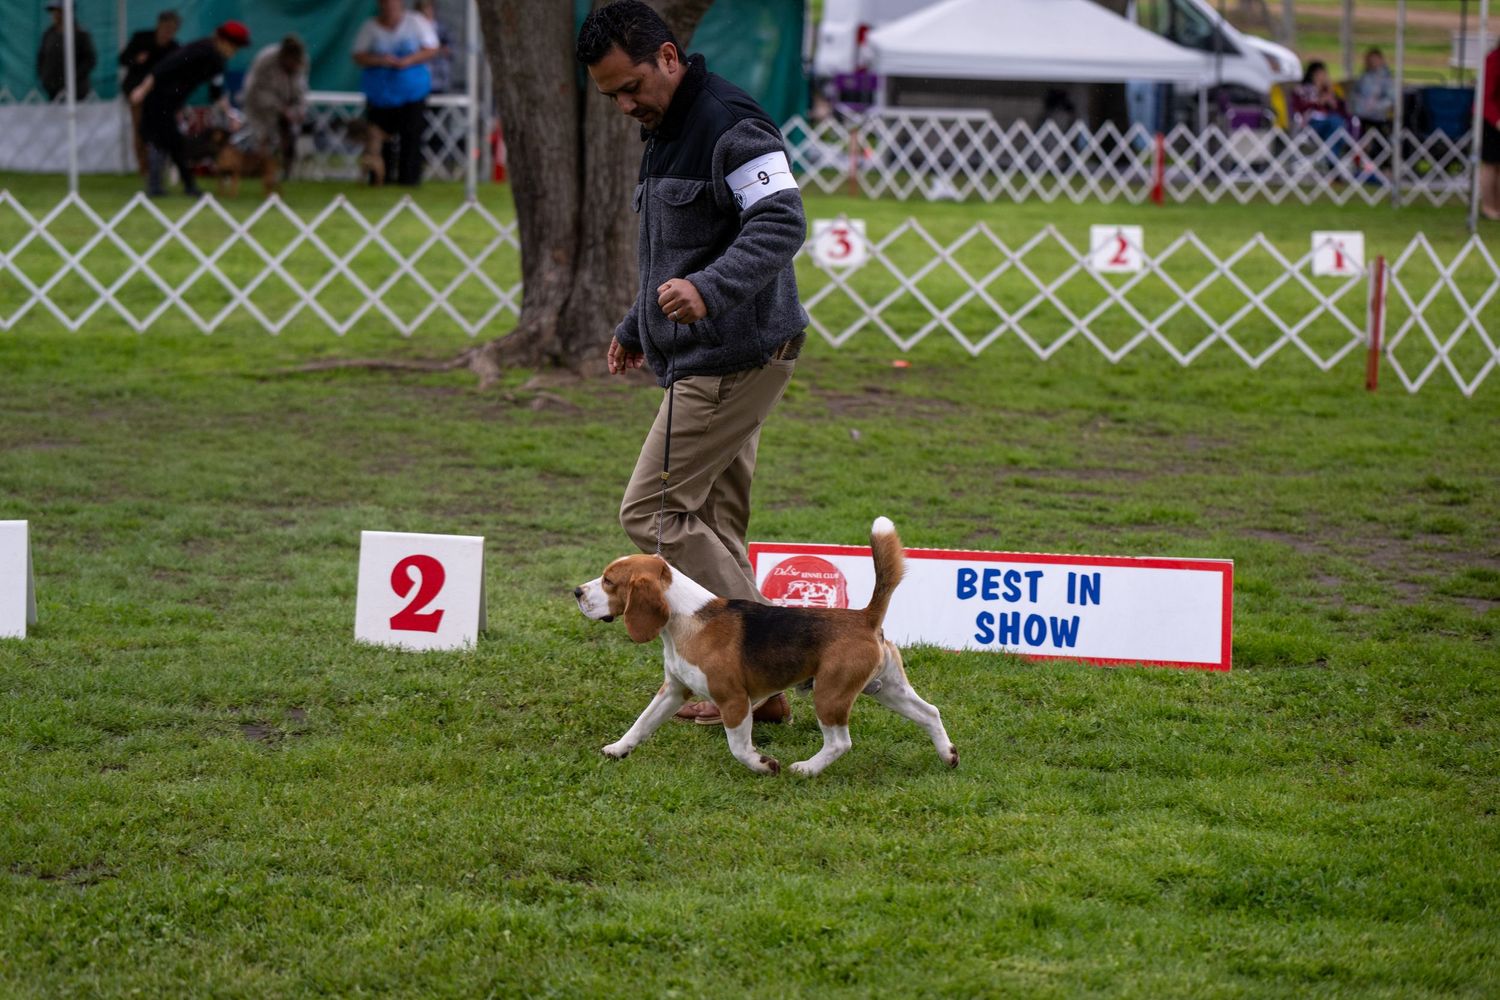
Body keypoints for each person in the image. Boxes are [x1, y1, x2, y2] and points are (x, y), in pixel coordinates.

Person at [577, 0, 809, 727]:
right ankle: (755, 684)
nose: (622, 105)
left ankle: (765, 668)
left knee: (653, 511)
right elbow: (676, 253)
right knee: (712, 518)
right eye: (610, 93)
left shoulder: (730, 125)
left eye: (630, 86)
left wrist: (707, 292)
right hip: (712, 350)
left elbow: (782, 221)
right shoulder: (665, 126)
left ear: (670, 58)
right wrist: (638, 323)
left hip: (731, 356)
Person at [130, 21, 251, 197]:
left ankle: (173, 186)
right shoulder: (200, 49)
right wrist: (143, 89)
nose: (235, 51)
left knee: (173, 143)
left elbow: (216, 92)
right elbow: (166, 66)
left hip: (172, 102)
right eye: (235, 46)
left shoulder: (217, 61)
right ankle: (167, 186)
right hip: (158, 97)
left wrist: (230, 114)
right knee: (162, 141)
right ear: (225, 41)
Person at [353, 0, 439, 187]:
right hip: (380, 93)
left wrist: (408, 60)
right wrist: (382, 60)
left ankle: (409, 180)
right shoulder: (370, 26)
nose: (389, 7)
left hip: (412, 91)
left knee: (412, 135)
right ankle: (379, 179)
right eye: (385, 4)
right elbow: (358, 55)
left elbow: (432, 48)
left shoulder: (415, 22)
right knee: (377, 139)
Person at [119, 11, 181, 176]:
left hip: (162, 97)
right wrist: (136, 59)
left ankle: (162, 167)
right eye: (165, 28)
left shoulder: (174, 48)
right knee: (140, 130)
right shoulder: (141, 39)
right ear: (158, 25)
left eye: (171, 29)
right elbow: (123, 59)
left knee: (161, 131)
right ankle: (144, 169)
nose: (167, 32)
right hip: (137, 93)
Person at [241, 34, 308, 176]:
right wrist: (280, 108)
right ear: (284, 56)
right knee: (262, 136)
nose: (295, 65)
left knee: (289, 136)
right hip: (259, 104)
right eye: (292, 61)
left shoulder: (303, 61)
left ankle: (286, 170)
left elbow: (301, 90)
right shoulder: (265, 59)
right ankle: (259, 170)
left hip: (286, 104)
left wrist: (300, 109)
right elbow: (253, 90)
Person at [36, 1, 97, 100]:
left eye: (59, 12)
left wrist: (71, 78)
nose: (55, 15)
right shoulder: (48, 33)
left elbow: (90, 60)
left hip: (76, 91)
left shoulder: (80, 34)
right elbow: (41, 57)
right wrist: (44, 77)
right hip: (53, 90)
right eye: (54, 12)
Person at [413, 0, 454, 95]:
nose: (426, 13)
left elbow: (450, 50)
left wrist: (431, 51)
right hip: (418, 79)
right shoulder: (412, 31)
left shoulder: (442, 30)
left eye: (428, 9)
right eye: (422, 10)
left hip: (438, 79)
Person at [1351, 47, 1395, 130]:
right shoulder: (1363, 77)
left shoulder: (1387, 79)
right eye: (1370, 60)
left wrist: (1376, 106)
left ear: (1381, 60)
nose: (1372, 63)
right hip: (1361, 113)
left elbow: (1391, 99)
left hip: (1380, 115)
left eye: (1375, 60)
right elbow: (1355, 93)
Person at [1483, 40, 1500, 221]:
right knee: (1490, 163)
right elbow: (1485, 96)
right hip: (1489, 119)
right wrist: (1496, 120)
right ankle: (1488, 207)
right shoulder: (1494, 59)